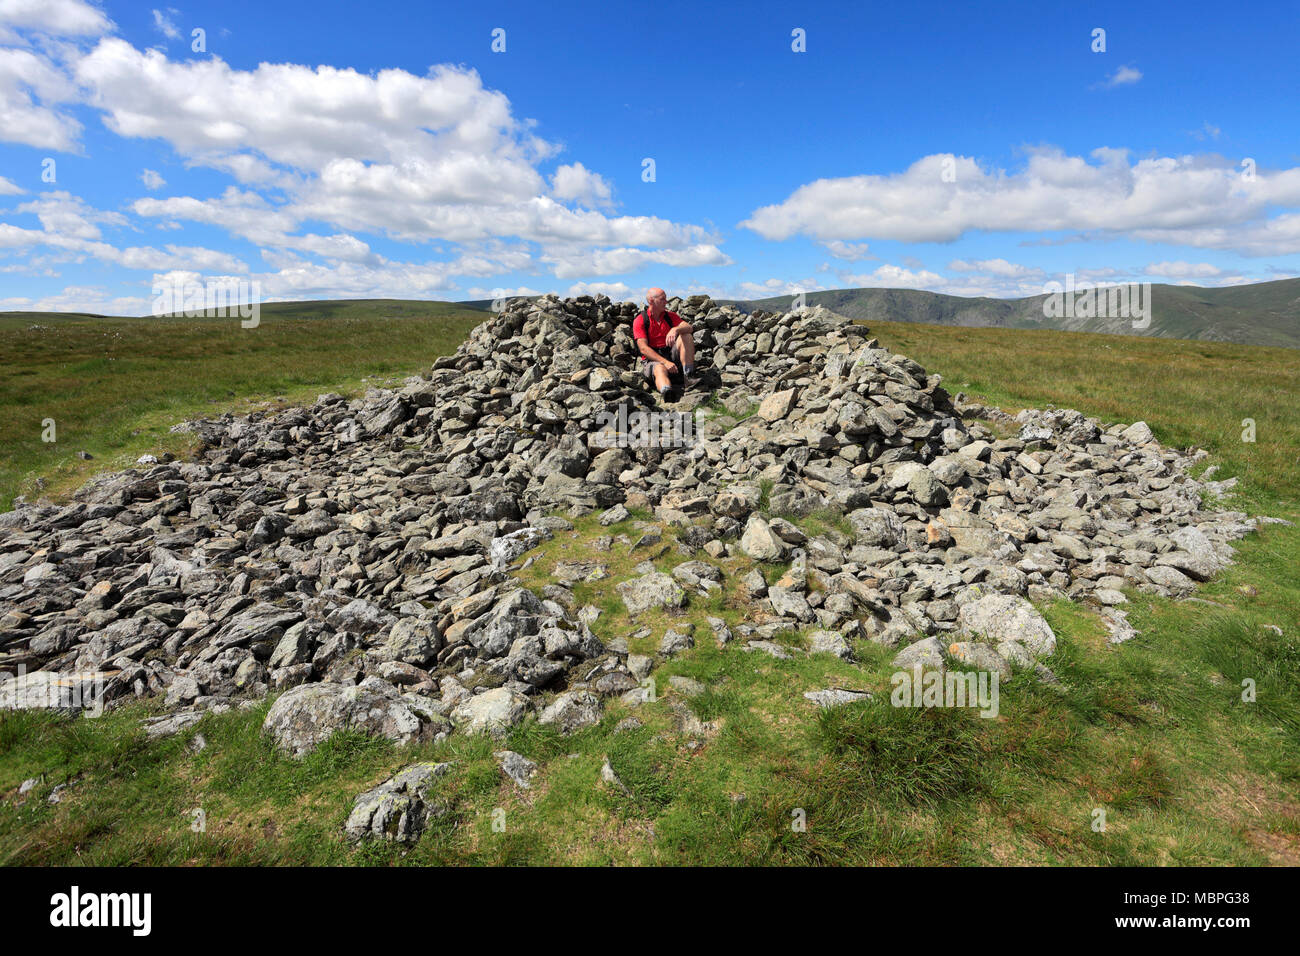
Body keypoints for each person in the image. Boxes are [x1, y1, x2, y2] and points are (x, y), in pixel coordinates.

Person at [632, 287, 696, 398]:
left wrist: (676, 329)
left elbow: (689, 327)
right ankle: (667, 392)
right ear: (651, 301)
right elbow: (643, 349)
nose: (666, 302)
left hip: (671, 354)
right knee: (659, 368)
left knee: (686, 335)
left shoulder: (670, 316)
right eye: (662, 299)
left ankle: (688, 377)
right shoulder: (640, 320)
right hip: (652, 360)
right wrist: (665, 362)